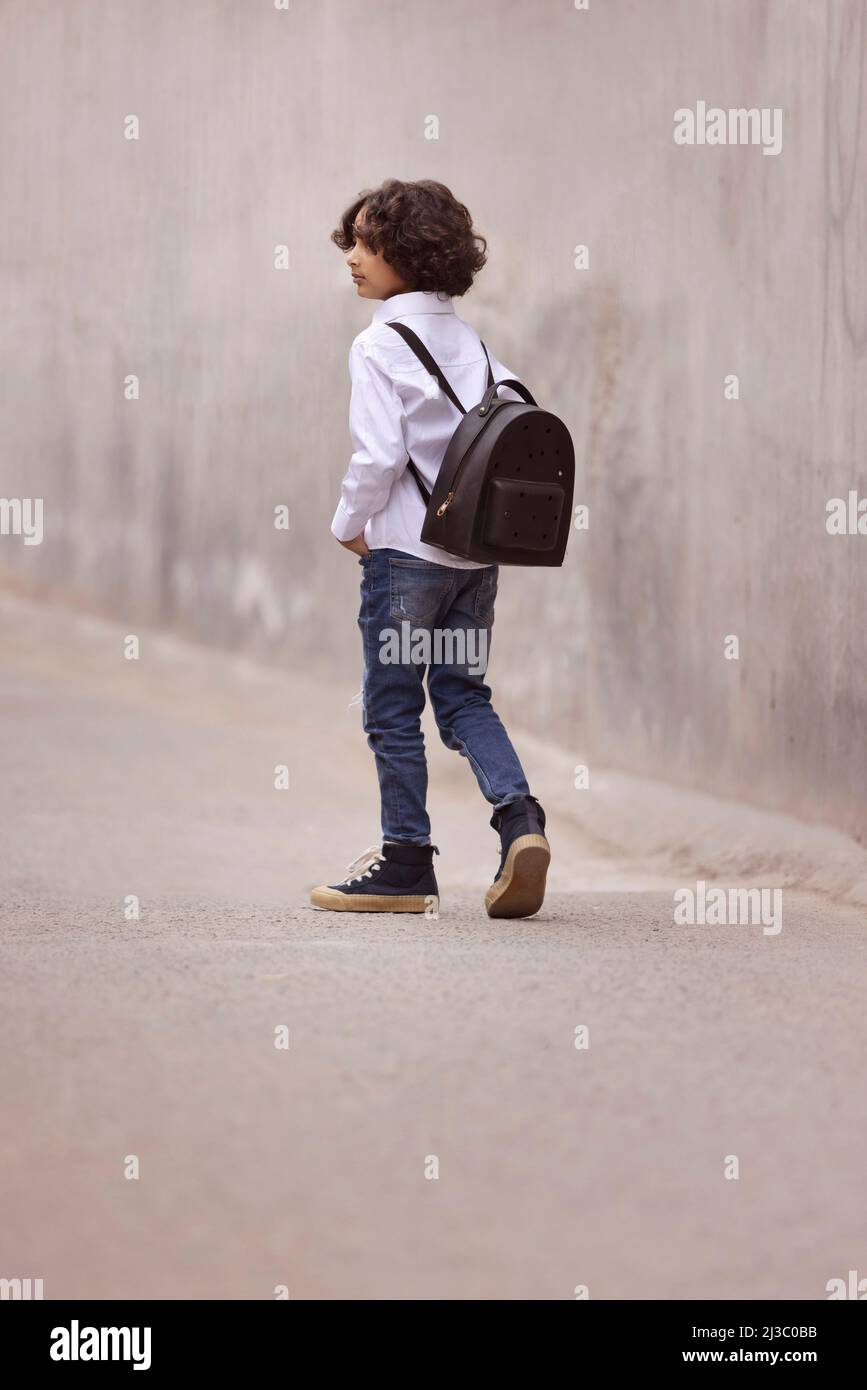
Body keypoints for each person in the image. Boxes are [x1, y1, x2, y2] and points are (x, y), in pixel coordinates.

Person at [310, 179, 549, 918]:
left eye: (365, 243)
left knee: (391, 710)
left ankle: (406, 864)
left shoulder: (378, 342)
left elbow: (379, 455)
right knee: (464, 697)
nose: (351, 256)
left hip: (405, 560)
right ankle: (521, 823)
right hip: (473, 562)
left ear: (404, 253)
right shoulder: (472, 342)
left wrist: (346, 521)